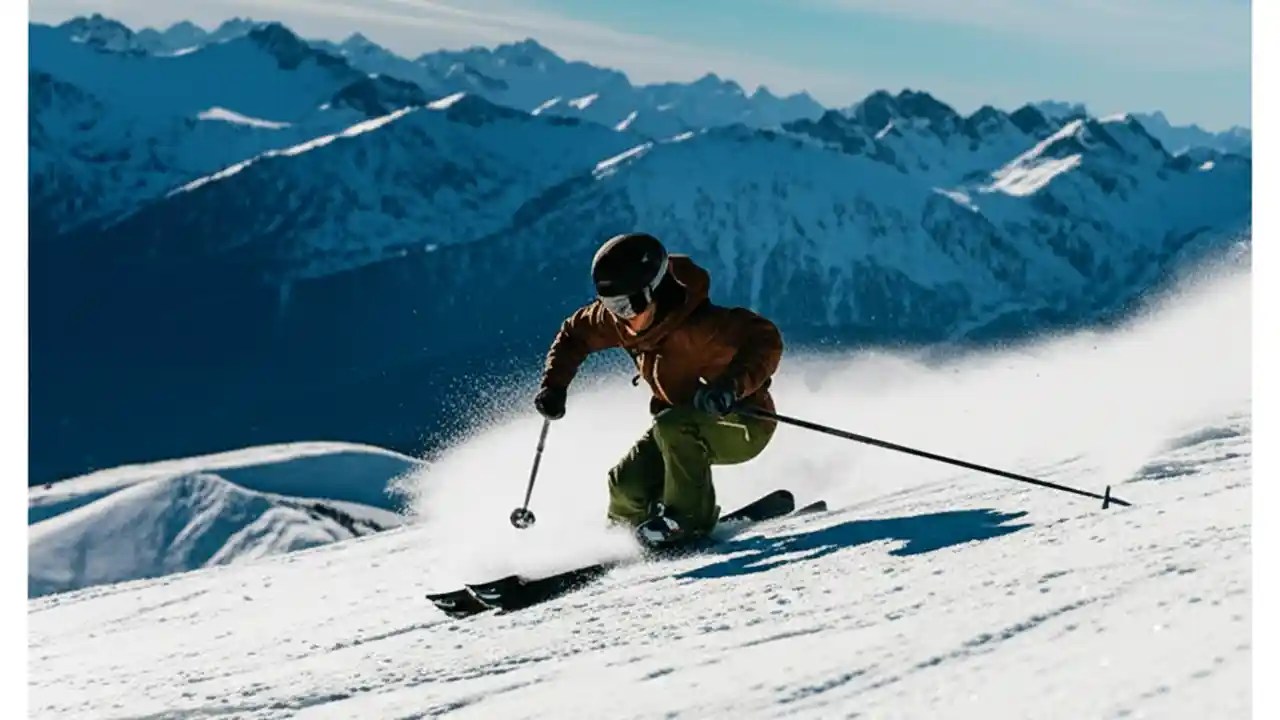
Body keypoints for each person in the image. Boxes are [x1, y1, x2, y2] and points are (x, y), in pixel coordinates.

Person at [533, 232, 784, 549]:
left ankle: (688, 522)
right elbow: (574, 336)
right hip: (678, 427)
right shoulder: (617, 319)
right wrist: (554, 386)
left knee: (674, 425)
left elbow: (765, 338)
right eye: (613, 305)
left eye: (630, 305)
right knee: (626, 484)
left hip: (742, 421)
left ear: (656, 291)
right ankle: (623, 539)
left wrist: (729, 387)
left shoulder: (703, 326)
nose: (623, 316)